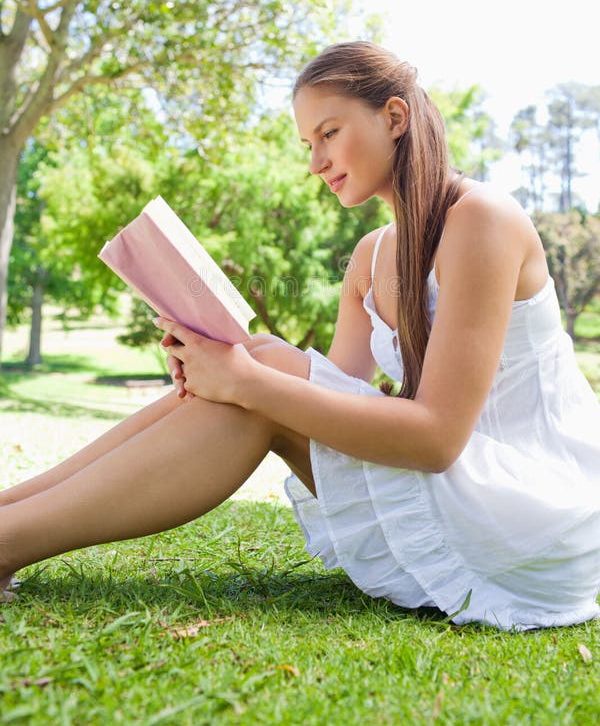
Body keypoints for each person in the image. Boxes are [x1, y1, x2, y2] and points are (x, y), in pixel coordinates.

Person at [1, 41, 599, 630]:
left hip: (526, 515)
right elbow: (333, 401)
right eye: (308, 144)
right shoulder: (372, 256)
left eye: (329, 133)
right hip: (459, 491)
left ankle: (8, 541)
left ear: (395, 117)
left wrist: (247, 382)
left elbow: (437, 439)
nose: (315, 163)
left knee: (258, 378)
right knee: (261, 358)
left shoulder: (482, 219)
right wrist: (220, 362)